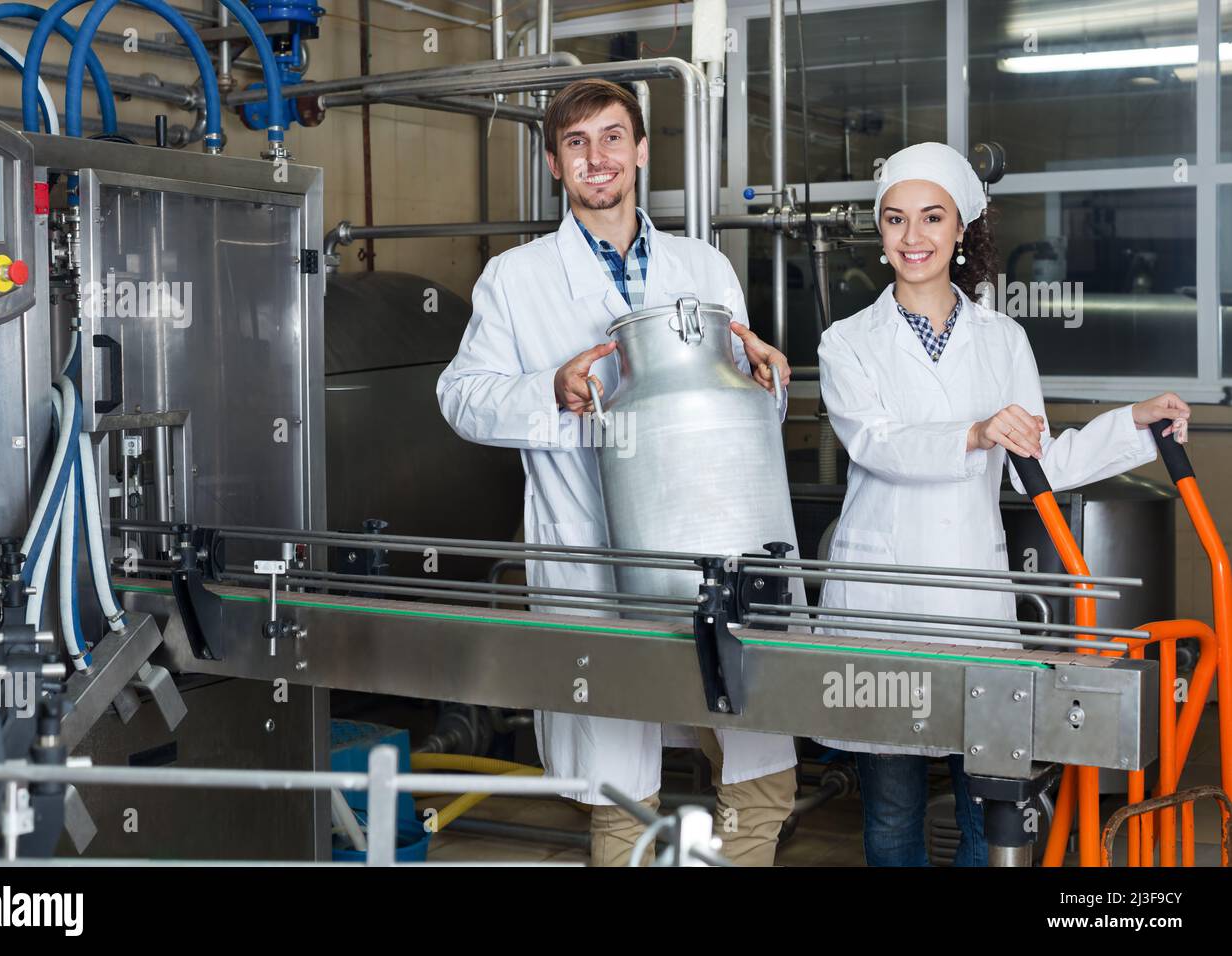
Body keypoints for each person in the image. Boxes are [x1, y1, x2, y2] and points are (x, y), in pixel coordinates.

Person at [437, 79, 797, 866]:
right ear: (555, 164)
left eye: (611, 138)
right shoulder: (516, 279)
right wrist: (548, 392)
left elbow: (735, 413)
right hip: (593, 559)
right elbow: (459, 399)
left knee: (759, 775)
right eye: (577, 143)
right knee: (623, 795)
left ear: (639, 151)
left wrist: (767, 380)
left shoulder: (703, 268)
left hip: (710, 551)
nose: (597, 157)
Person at [816, 141, 1191, 867]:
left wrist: (1131, 425)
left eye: (932, 218)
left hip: (972, 603)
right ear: (881, 231)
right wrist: (976, 431)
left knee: (991, 805)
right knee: (892, 811)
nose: (913, 237)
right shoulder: (847, 342)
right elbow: (876, 445)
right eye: (896, 221)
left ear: (962, 231)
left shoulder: (1003, 338)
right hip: (883, 603)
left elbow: (1035, 465)